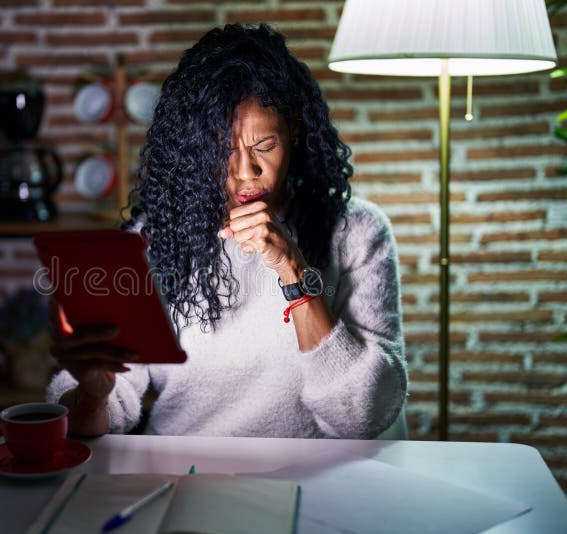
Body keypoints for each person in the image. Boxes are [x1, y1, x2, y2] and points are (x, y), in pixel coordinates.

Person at [46, 23, 407, 439]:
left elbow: (363, 417)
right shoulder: (154, 239)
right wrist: (92, 395)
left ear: (294, 133)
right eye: (223, 152)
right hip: (187, 472)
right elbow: (98, 417)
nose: (245, 172)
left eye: (264, 147)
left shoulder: (357, 232)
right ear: (195, 149)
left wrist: (293, 271)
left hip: (311, 476)